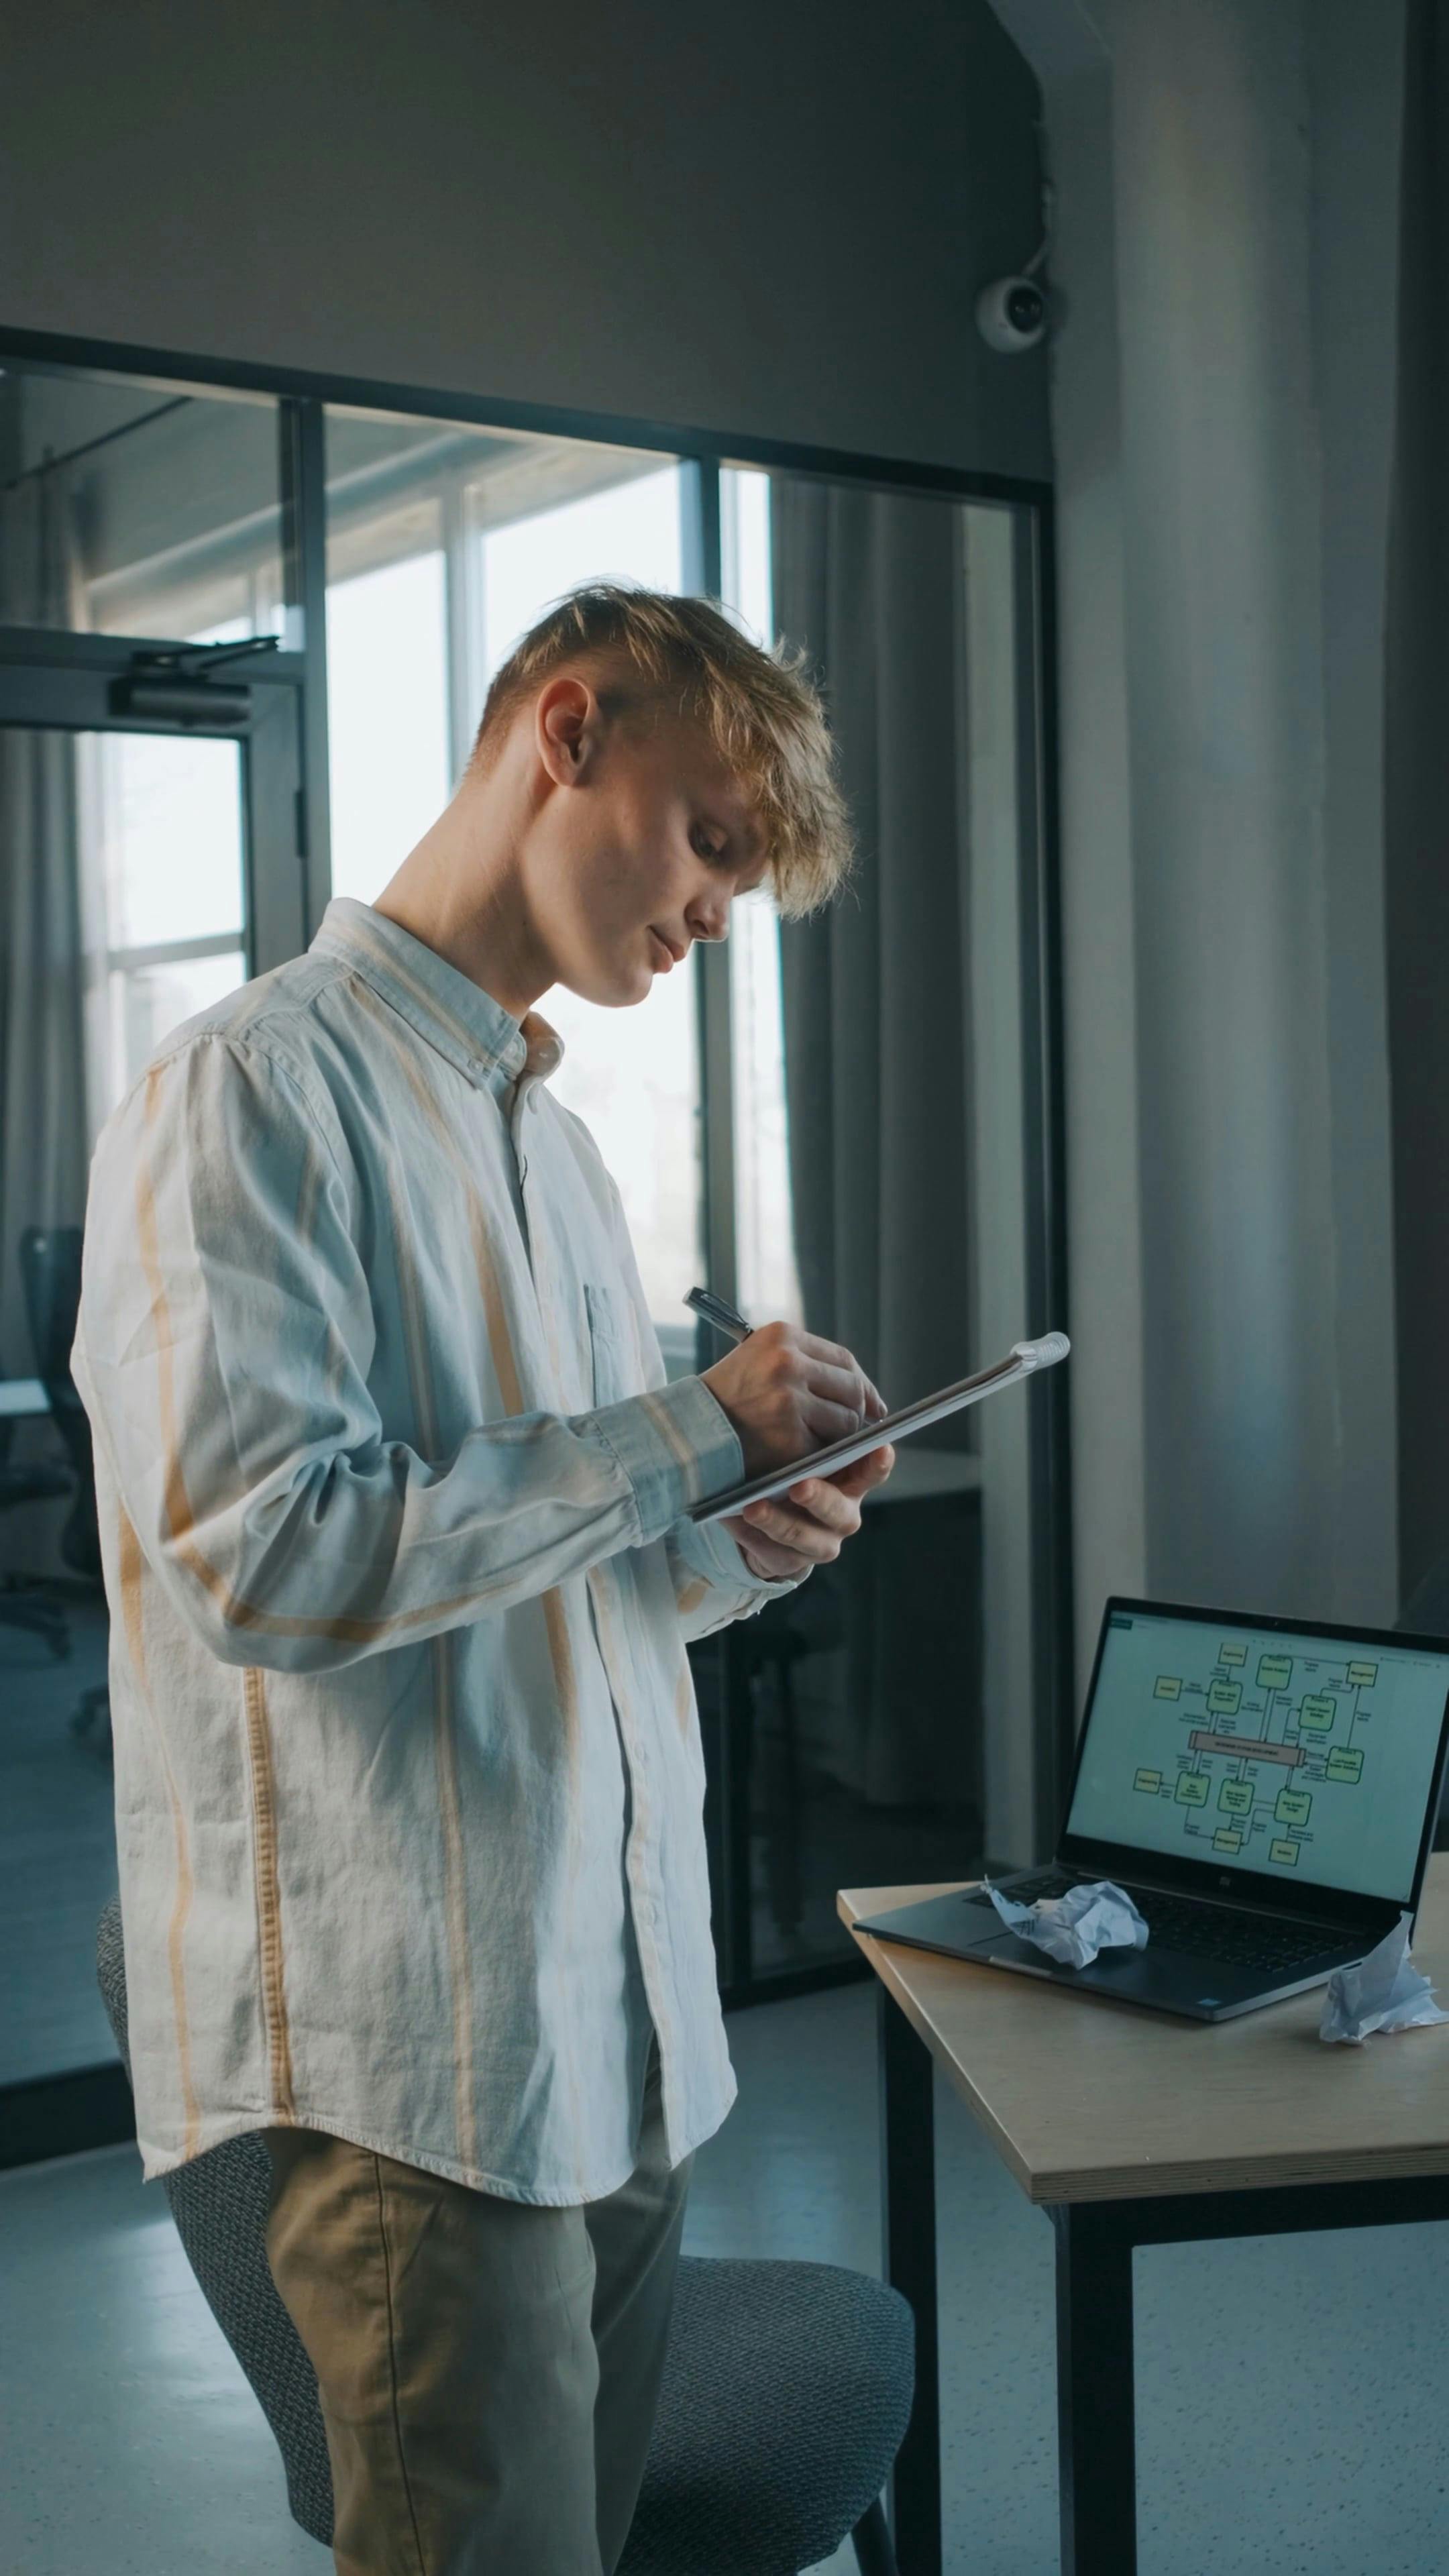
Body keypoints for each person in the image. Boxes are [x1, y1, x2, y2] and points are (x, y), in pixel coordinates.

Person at [73, 582, 894, 2575]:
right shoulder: (252, 1090)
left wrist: (735, 1541)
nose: (716, 912)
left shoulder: (563, 1154)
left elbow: (569, 1564)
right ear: (567, 727)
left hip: (604, 2039)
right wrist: (687, 1437)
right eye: (712, 839)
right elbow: (268, 1561)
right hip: (416, 2087)